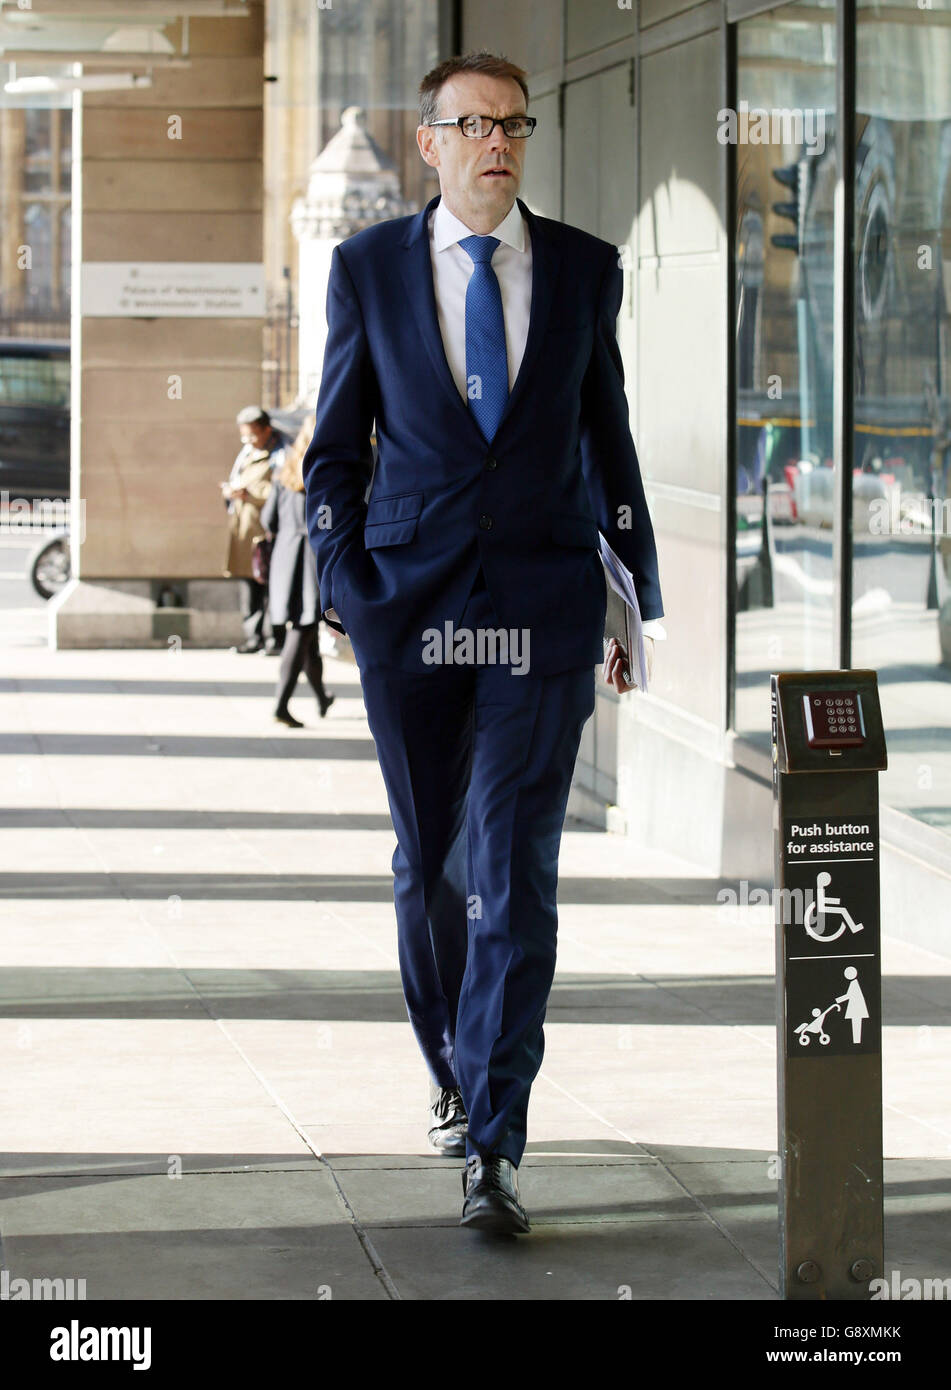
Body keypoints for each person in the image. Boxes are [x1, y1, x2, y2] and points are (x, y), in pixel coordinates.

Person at [302, 51, 664, 1236]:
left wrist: (629, 594)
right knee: (433, 868)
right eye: (473, 125)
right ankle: (454, 1065)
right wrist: (348, 587)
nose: (497, 142)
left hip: (543, 610)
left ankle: (497, 1141)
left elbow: (605, 436)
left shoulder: (583, 270)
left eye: (514, 124)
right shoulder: (366, 270)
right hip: (409, 609)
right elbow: (334, 453)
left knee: (512, 869)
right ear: (430, 143)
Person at [260, 414, 335, 727]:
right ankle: (280, 704)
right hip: (311, 559)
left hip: (285, 557)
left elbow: (268, 522)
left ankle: (321, 698)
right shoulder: (327, 471)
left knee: (307, 635)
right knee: (302, 629)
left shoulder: (283, 472)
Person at [222, 406, 288, 654]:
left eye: (251, 435)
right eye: (244, 436)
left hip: (267, 532)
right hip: (244, 531)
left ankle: (275, 638)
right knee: (249, 586)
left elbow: (283, 490)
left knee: (271, 585)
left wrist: (249, 493)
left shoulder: (280, 455)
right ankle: (253, 638)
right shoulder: (246, 454)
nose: (247, 440)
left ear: (266, 430)